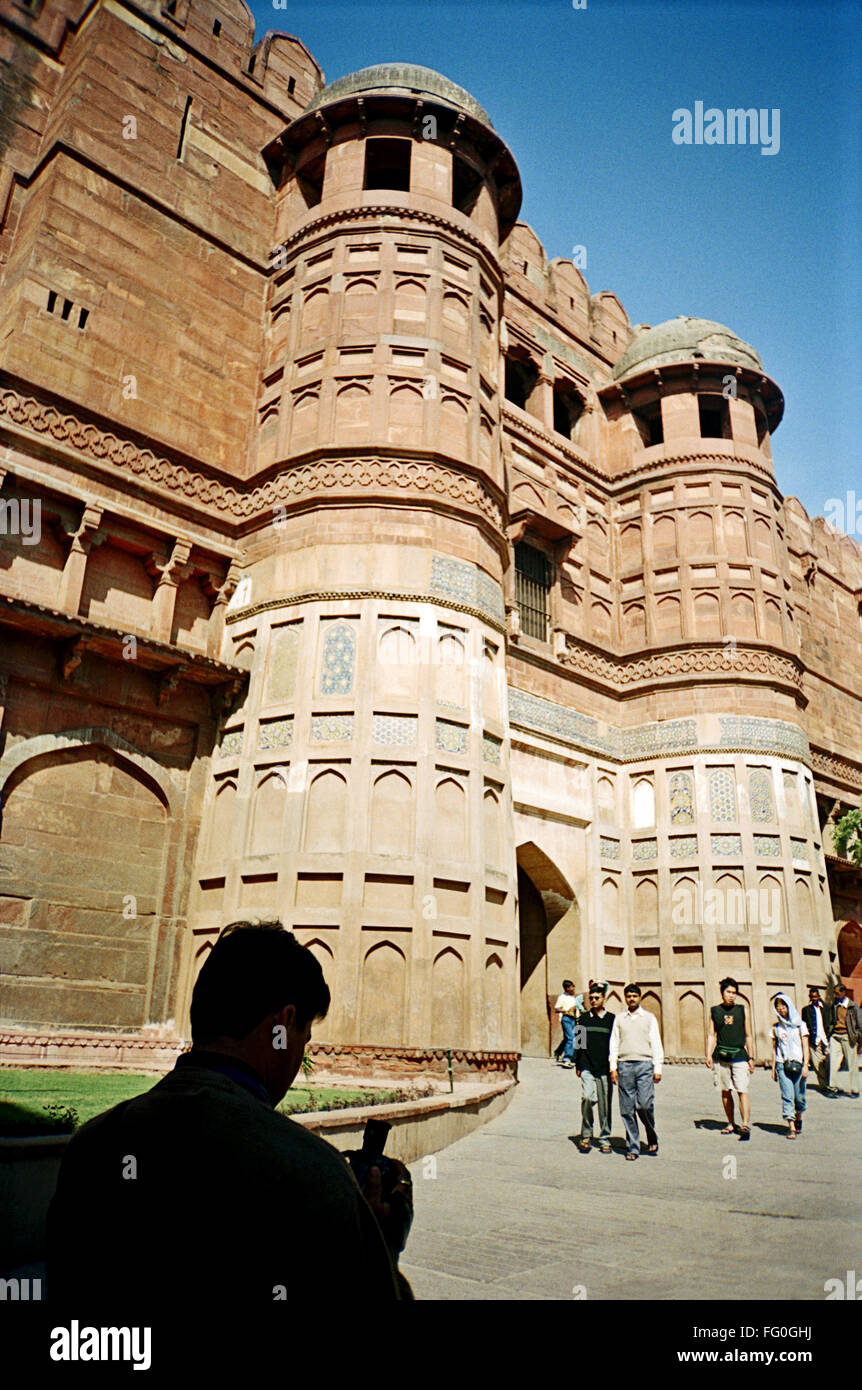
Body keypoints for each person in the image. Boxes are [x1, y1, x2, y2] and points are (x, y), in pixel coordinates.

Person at [48, 922, 412, 1304]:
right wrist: (380, 1245)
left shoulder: (93, 1144)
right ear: (284, 1025)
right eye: (304, 1038)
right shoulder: (311, 1173)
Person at [609, 983, 663, 1160]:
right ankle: (633, 1146)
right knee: (627, 1109)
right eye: (628, 996)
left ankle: (651, 1133)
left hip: (644, 1065)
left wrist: (658, 1068)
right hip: (625, 1065)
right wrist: (613, 1067)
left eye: (634, 996)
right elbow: (614, 1043)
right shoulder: (619, 1018)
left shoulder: (649, 1018)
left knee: (644, 1104)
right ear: (625, 998)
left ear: (639, 997)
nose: (631, 998)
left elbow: (655, 1043)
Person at [706, 977, 755, 1141]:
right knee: (725, 1090)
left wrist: (751, 1057)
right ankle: (730, 1122)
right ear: (722, 993)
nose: (731, 995)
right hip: (721, 1056)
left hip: (739, 1055)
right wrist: (708, 1054)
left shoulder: (742, 1010)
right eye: (728, 992)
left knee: (742, 1090)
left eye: (734, 993)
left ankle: (745, 1124)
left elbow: (748, 1034)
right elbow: (711, 1034)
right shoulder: (715, 1011)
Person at [575, 983, 615, 1153]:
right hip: (587, 1067)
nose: (593, 1000)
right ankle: (586, 1134)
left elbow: (615, 1045)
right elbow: (578, 1043)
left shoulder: (612, 1019)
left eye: (596, 998)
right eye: (590, 998)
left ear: (604, 999)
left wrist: (614, 1067)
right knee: (587, 1098)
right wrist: (578, 1064)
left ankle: (604, 1138)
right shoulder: (583, 1019)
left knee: (605, 1105)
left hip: (605, 1068)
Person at [771, 992, 810, 1138]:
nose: (781, 1009)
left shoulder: (800, 1025)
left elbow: (805, 1046)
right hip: (783, 1064)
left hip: (799, 1064)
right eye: (778, 1006)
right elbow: (775, 1049)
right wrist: (774, 1068)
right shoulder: (776, 1028)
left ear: (789, 1006)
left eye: (783, 1005)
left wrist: (806, 1065)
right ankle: (791, 1127)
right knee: (787, 1096)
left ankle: (798, 1117)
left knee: (799, 1097)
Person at [828, 983, 861, 1097]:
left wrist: (857, 1037)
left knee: (852, 1064)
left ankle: (854, 1089)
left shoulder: (853, 1006)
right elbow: (832, 1020)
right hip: (836, 1036)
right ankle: (832, 1087)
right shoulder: (835, 1005)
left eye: (838, 993)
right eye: (835, 993)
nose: (836, 996)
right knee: (833, 1062)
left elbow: (860, 1024)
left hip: (848, 1037)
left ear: (843, 993)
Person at [801, 986, 833, 1093]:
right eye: (812, 997)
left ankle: (829, 1082)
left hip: (826, 1039)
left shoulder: (826, 1008)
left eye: (816, 996)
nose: (814, 999)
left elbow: (831, 1021)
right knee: (817, 1064)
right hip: (814, 1041)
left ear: (819, 996)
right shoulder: (806, 1010)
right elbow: (804, 1025)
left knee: (829, 1062)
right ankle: (824, 1085)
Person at [553, 979, 578, 1068]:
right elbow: (556, 1008)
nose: (573, 988)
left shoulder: (573, 997)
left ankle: (561, 1054)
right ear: (567, 988)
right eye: (572, 986)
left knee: (571, 1038)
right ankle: (566, 1058)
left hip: (573, 1019)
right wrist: (565, 1010)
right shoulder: (562, 997)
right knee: (570, 1038)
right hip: (566, 1018)